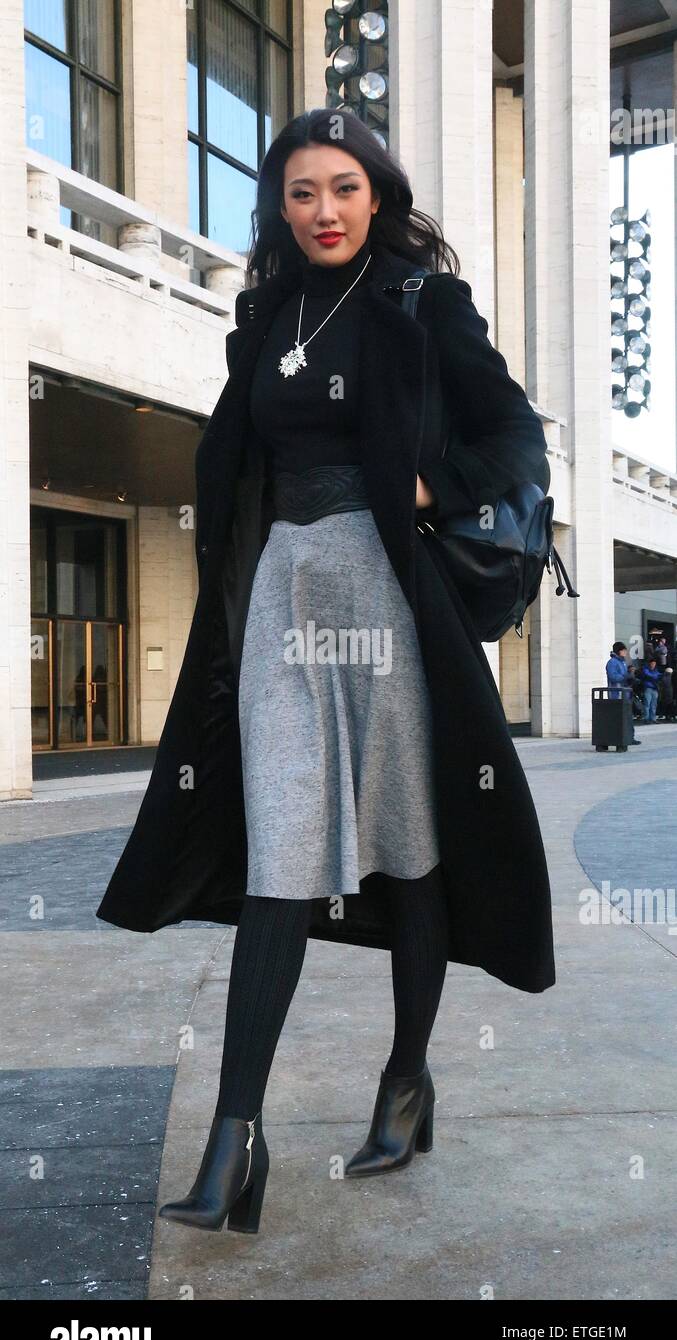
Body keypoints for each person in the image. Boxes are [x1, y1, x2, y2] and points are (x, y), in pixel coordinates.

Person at [97, 108, 555, 1236]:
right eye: (301, 192)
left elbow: (514, 438)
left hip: (387, 601)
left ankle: (405, 1078)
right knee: (283, 844)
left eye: (343, 188)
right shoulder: (265, 314)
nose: (323, 212)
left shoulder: (419, 302)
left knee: (404, 847)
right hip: (281, 598)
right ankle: (234, 1138)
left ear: (377, 195)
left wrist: (423, 486)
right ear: (279, 205)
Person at [606, 642, 641, 745]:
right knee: (619, 718)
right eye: (624, 650)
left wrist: (632, 679)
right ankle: (620, 738)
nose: (626, 652)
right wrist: (626, 677)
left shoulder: (623, 662)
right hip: (616, 694)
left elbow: (623, 676)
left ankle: (630, 737)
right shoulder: (612, 662)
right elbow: (613, 677)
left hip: (625, 693)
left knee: (628, 717)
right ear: (619, 651)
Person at [640, 656, 662, 723]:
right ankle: (646, 718)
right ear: (649, 663)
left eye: (654, 663)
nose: (653, 665)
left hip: (654, 689)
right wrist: (656, 677)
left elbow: (655, 676)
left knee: (653, 704)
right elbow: (649, 675)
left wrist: (654, 677)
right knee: (647, 704)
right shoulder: (646, 669)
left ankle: (653, 718)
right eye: (652, 663)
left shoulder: (656, 670)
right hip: (648, 689)